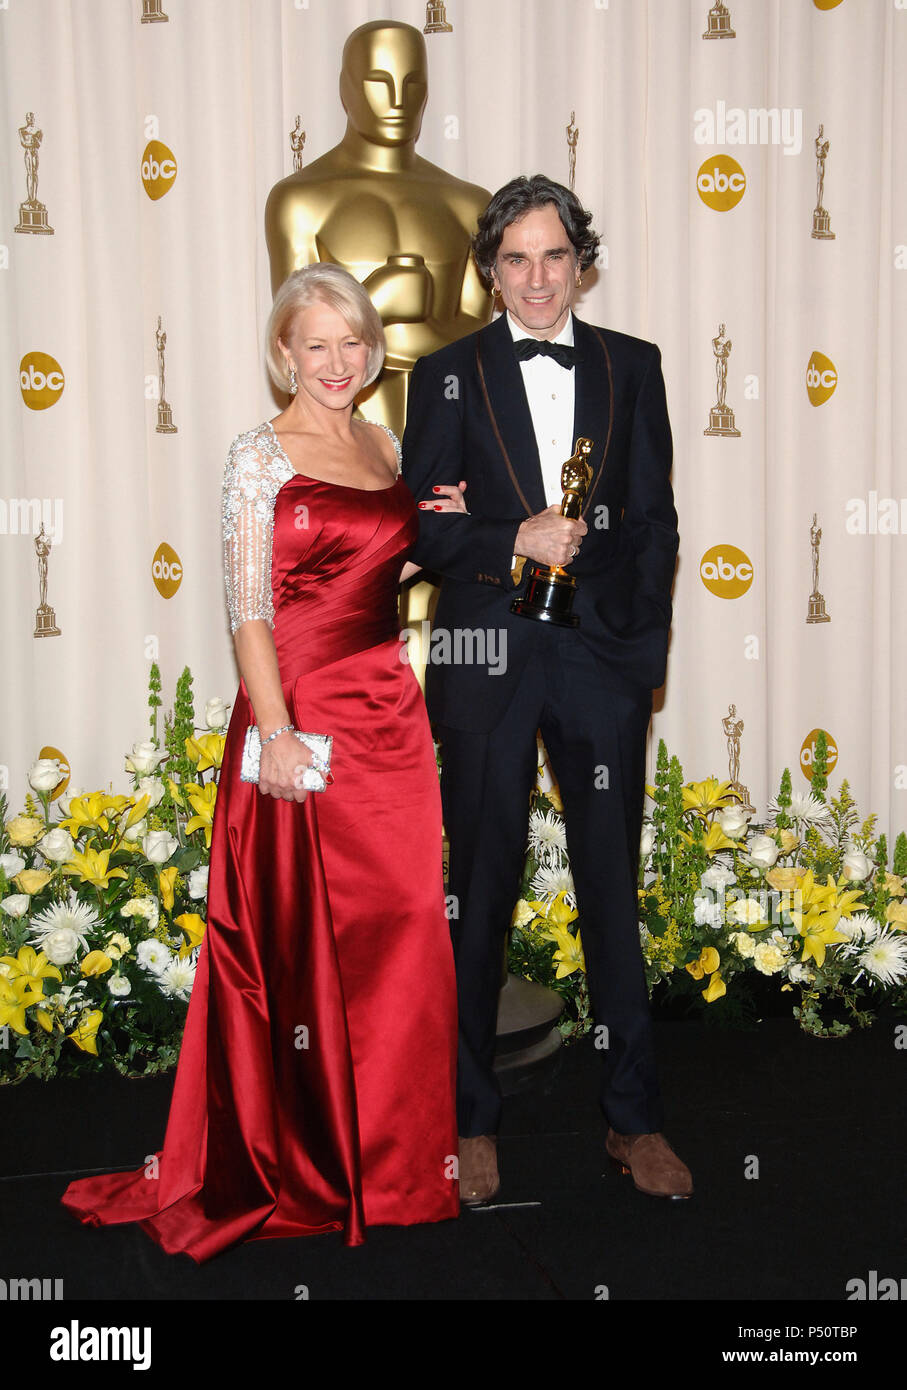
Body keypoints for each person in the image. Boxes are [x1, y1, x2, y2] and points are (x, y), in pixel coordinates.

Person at [61, 264, 467, 1260]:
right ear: (283, 352)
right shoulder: (257, 456)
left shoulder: (384, 444)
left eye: (352, 341)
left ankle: (397, 1168)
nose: (336, 361)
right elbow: (249, 609)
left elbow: (377, 565)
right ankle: (310, 1163)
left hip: (388, 716)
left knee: (401, 932)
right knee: (302, 941)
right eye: (314, 343)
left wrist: (445, 526)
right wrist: (276, 733)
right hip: (301, 720)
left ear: (373, 350)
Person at [402, 174, 693, 1204]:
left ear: (582, 263)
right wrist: (509, 539)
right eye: (515, 259)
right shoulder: (444, 375)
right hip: (487, 656)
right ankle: (469, 1119)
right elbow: (421, 525)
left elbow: (653, 522)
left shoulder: (632, 365)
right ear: (489, 272)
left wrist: (636, 651)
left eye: (554, 256)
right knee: (479, 890)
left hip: (598, 662)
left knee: (611, 887)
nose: (536, 278)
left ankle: (633, 1118)